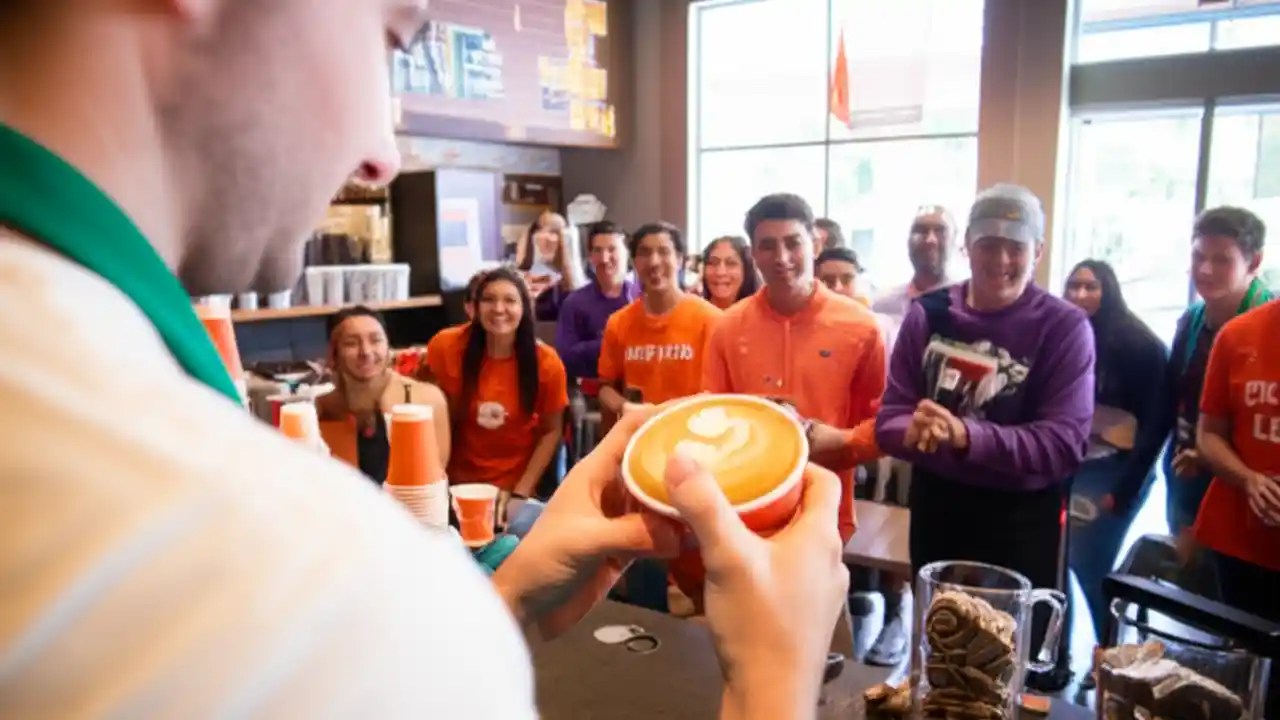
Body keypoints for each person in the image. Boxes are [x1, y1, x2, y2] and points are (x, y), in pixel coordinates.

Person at [0, 2, 852, 716]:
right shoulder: (318, 594)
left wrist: (502, 602)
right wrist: (774, 685)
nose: (383, 153)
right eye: (387, 38)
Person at [876, 184, 1094, 689]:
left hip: (1021, 517)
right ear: (966, 247)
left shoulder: (1063, 328)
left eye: (1016, 247)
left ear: (1037, 252)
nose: (1001, 259)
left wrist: (967, 436)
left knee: (1012, 666)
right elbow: (889, 416)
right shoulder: (928, 314)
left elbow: (1064, 444)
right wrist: (912, 429)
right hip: (939, 507)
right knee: (938, 654)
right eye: (988, 244)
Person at [1128, 208, 1274, 567]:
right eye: (1198, 257)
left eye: (1221, 260)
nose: (1206, 270)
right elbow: (1168, 403)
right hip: (1185, 475)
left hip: (1246, 491)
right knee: (1191, 591)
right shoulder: (1192, 319)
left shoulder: (1267, 326)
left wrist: (1211, 458)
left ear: (1253, 262)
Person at [1061, 260, 1168, 647]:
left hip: (1116, 468)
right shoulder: (1065, 335)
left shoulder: (1139, 344)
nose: (1080, 295)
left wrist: (1125, 490)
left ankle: (1110, 651)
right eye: (1073, 286)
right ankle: (1057, 652)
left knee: (1089, 566)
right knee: (1059, 562)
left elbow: (1157, 426)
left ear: (1109, 290)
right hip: (1073, 464)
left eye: (1090, 287)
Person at [426, 268, 567, 525]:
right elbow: (422, 404)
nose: (498, 308)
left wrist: (520, 493)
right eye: (489, 299)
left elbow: (551, 431)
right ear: (475, 307)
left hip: (510, 489)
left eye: (510, 300)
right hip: (451, 487)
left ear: (525, 307)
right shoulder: (445, 346)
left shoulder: (546, 363)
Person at [1195, 299, 1280, 720]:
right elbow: (1209, 434)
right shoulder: (1238, 334)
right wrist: (1248, 478)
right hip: (1238, 542)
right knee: (1239, 678)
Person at [597, 222, 721, 416]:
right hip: (638, 432)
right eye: (644, 253)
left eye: (664, 252)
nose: (654, 262)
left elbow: (720, 392)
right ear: (635, 262)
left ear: (680, 259)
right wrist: (626, 408)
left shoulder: (710, 320)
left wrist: (663, 413)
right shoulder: (618, 322)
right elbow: (605, 387)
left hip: (693, 432)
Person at [317, 305, 451, 483]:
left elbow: (434, 478)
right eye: (351, 343)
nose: (365, 352)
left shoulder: (427, 398)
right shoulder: (323, 407)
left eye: (375, 340)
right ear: (333, 354)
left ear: (388, 347)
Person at [554, 221, 640, 382]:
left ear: (627, 253)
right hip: (591, 388)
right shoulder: (574, 303)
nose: (604, 258)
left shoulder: (642, 298)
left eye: (612, 249)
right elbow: (565, 355)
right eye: (597, 251)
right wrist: (612, 342)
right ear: (591, 257)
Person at [872, 204, 957, 338]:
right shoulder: (882, 304)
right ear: (908, 242)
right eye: (921, 230)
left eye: (940, 231)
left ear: (954, 242)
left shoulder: (965, 306)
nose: (930, 240)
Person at [516, 209, 586, 321]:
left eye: (554, 232)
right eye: (540, 230)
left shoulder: (573, 286)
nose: (545, 236)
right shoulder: (518, 280)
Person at [700, 235, 759, 310]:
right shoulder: (691, 314)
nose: (720, 272)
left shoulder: (762, 317)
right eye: (713, 263)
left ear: (746, 270)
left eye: (731, 263)